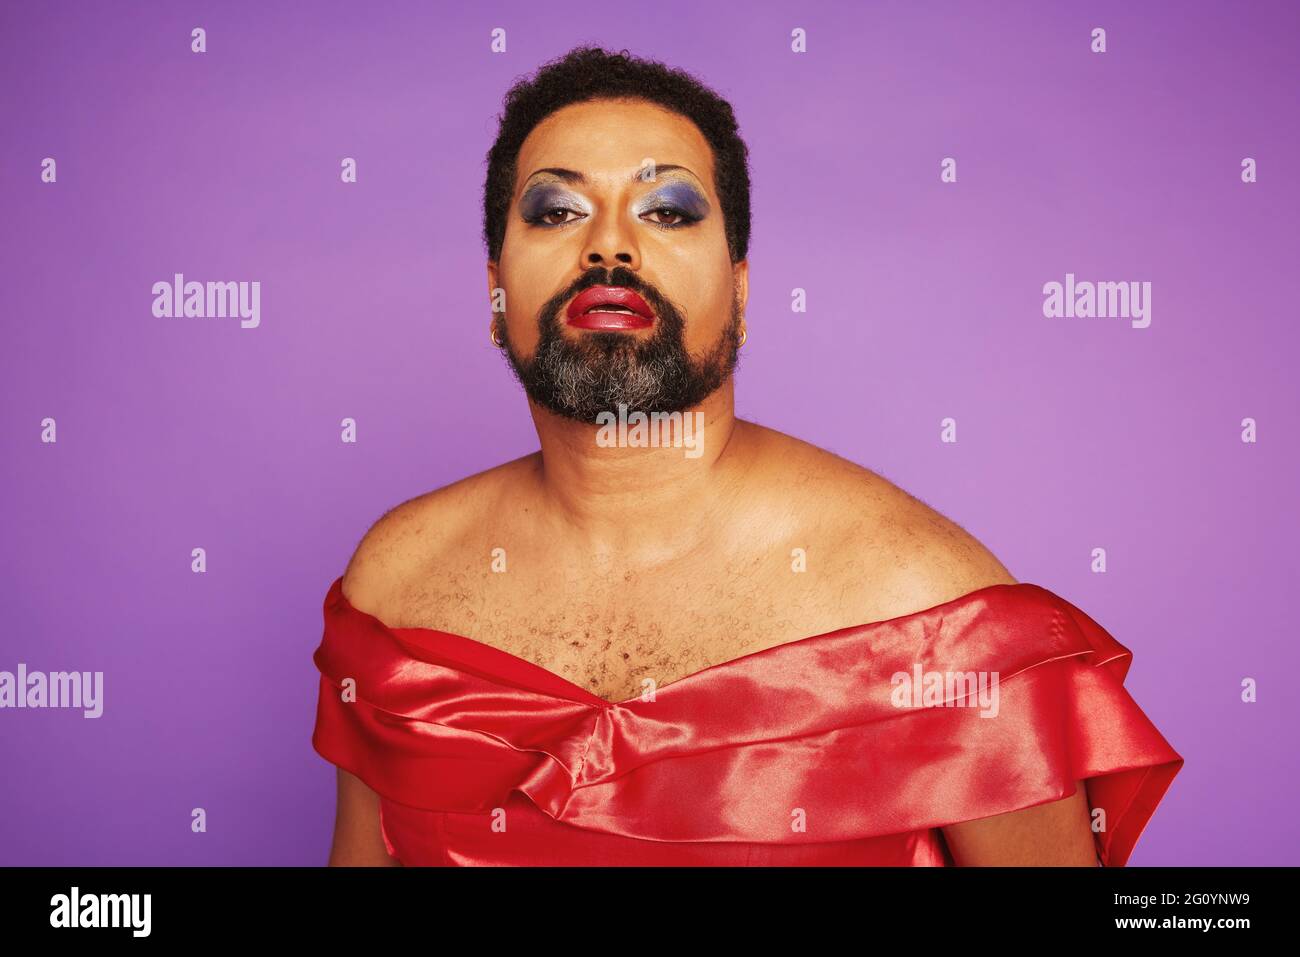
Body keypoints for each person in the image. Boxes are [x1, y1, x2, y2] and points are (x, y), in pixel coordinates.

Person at [311, 46, 1183, 866]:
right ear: (496, 292)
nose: (609, 244)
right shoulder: (398, 581)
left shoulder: (933, 613)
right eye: (557, 210)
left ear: (740, 289)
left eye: (668, 210)